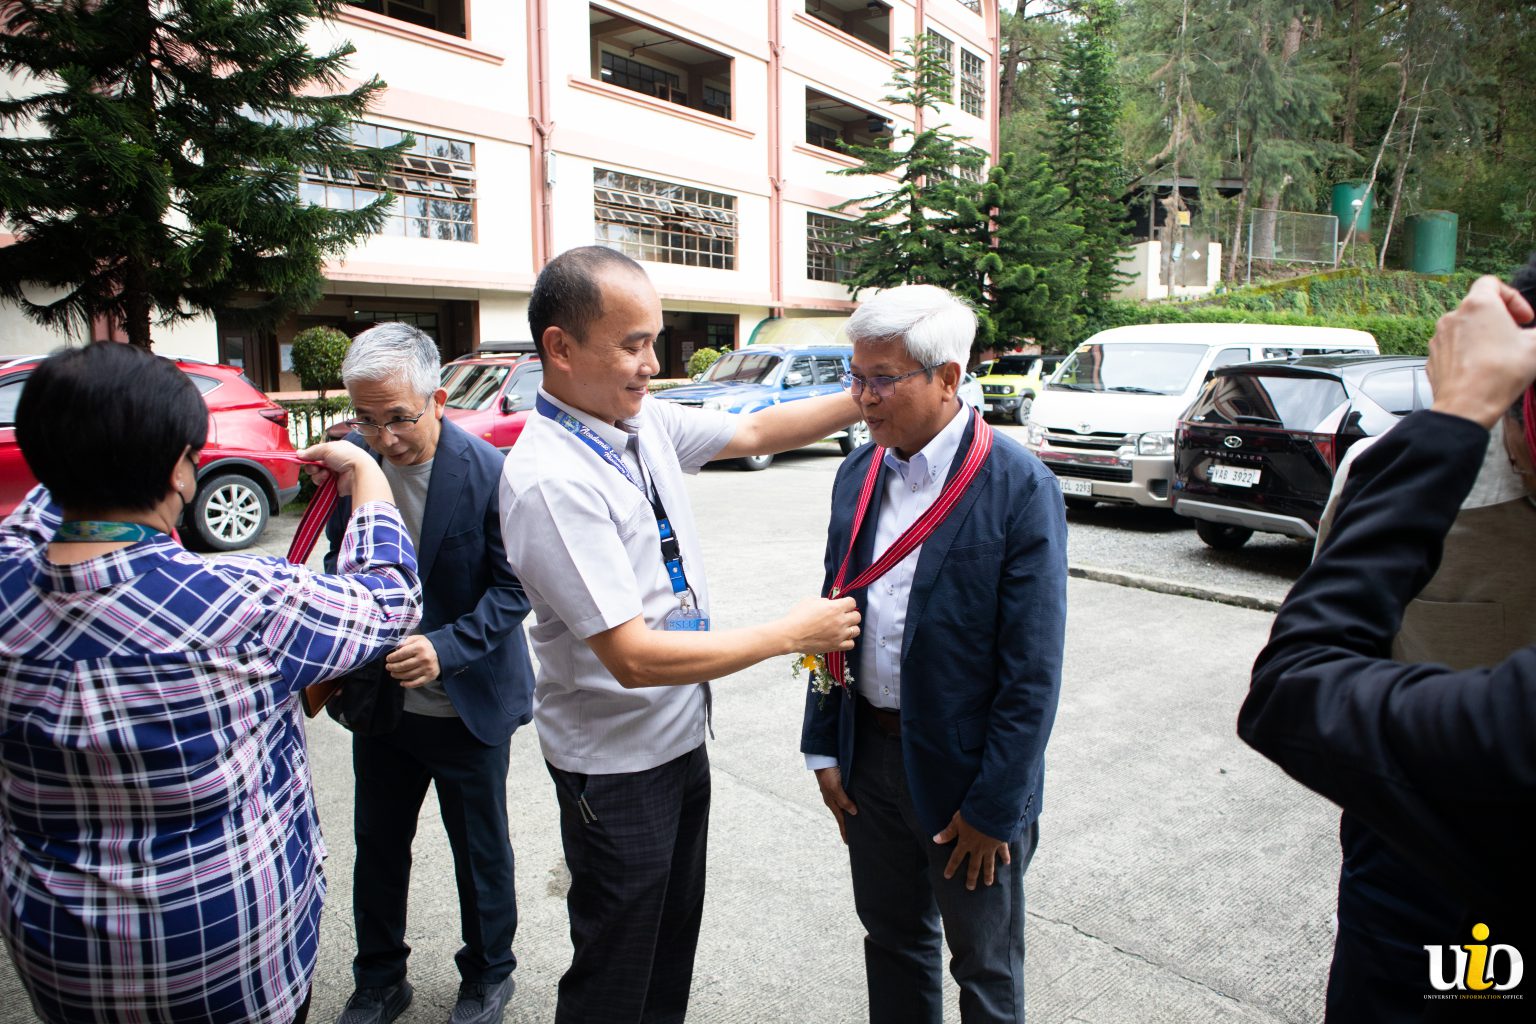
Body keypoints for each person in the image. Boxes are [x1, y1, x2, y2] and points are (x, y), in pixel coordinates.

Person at [0, 341, 420, 1024]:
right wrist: (365, 474)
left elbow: (41, 513)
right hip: (232, 960)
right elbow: (388, 597)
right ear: (179, 473)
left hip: (64, 958)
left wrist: (81, 450)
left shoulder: (9, 577)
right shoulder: (244, 603)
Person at [499, 245, 863, 1024]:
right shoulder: (551, 478)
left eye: (654, 340)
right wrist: (787, 633)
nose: (651, 364)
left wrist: (866, 392)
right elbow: (630, 657)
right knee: (615, 970)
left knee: (668, 948)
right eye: (632, 344)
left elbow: (758, 428)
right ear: (559, 349)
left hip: (676, 739)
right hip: (617, 765)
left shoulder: (638, 422)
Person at [1239, 274, 1536, 978]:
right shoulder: (1394, 473)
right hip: (1414, 870)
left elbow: (1295, 688)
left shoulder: (1412, 468)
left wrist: (1454, 415)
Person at [800, 285, 1067, 1024]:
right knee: (892, 941)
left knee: (984, 967)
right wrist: (825, 745)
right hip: (871, 764)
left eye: (882, 379)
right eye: (856, 377)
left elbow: (1033, 669)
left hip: (967, 781)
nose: (863, 397)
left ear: (948, 378)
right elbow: (834, 612)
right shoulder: (859, 474)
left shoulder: (1018, 488)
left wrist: (995, 807)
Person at [322, 324, 535, 1024]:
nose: (383, 437)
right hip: (382, 703)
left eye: (398, 418)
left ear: (438, 399)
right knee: (378, 847)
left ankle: (488, 975)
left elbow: (514, 588)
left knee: (480, 852)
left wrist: (446, 647)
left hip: (466, 704)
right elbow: (340, 568)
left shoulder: (490, 472)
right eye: (366, 418)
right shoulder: (354, 464)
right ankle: (380, 979)